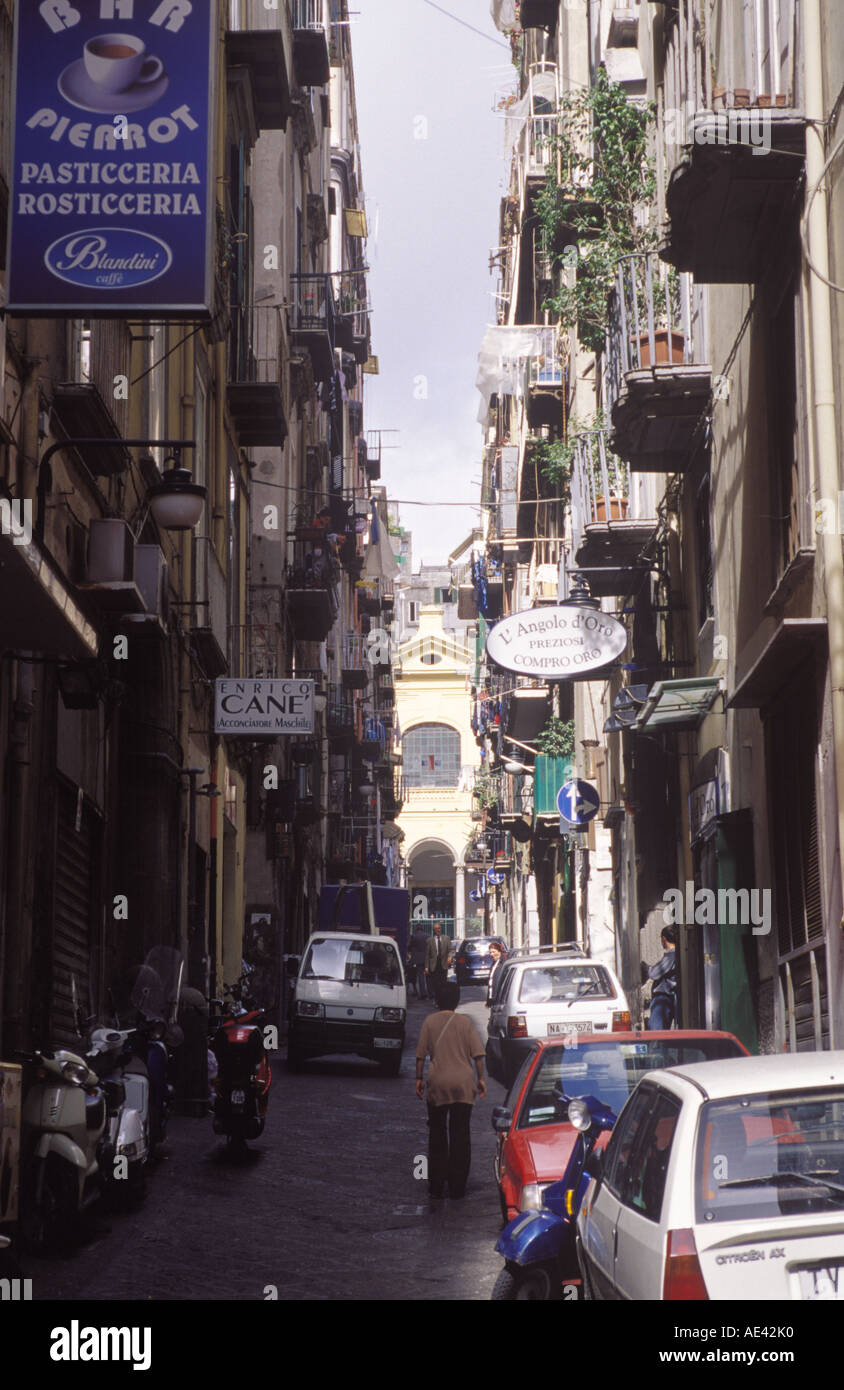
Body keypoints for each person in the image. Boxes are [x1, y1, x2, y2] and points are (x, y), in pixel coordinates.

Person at [415, 982, 486, 1199]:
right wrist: (480, 1079)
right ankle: (457, 1185)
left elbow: (420, 1056)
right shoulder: (465, 1023)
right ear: (456, 1001)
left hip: (438, 1083)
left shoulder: (429, 1022)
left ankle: (436, 1183)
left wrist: (419, 1079)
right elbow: (478, 1056)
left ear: (437, 1001)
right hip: (463, 1084)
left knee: (437, 1132)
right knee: (460, 1134)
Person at [646, 926, 677, 1030]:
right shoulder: (674, 955)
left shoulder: (671, 955)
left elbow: (654, 973)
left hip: (663, 997)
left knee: (656, 1032)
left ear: (664, 939)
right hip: (668, 997)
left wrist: (648, 968)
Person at [424, 921, 452, 1002]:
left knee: (443, 984)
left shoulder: (446, 939)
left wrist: (449, 957)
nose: (438, 930)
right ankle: (437, 1000)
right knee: (435, 985)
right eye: (436, 929)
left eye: (439, 928)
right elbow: (427, 955)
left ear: (441, 929)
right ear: (433, 930)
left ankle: (443, 1000)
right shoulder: (429, 940)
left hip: (443, 965)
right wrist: (426, 968)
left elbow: (450, 951)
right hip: (434, 966)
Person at [486, 938, 508, 1007]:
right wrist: (488, 1000)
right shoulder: (494, 963)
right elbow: (491, 982)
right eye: (490, 952)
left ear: (499, 951)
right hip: (493, 998)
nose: (491, 954)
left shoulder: (504, 963)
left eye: (493, 952)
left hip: (499, 999)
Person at [407, 926, 428, 999]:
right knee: (429, 976)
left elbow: (410, 947)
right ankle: (431, 993)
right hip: (427, 958)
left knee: (420, 976)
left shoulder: (414, 937)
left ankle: (423, 993)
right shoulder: (428, 936)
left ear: (416, 929)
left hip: (419, 959)